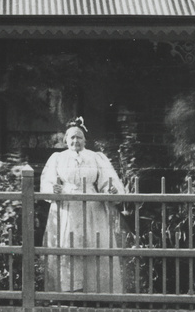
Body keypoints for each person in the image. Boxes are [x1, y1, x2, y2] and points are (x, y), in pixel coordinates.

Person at [39, 117, 128, 294]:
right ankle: (67, 292)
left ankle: (95, 291)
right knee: (67, 246)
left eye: (79, 137)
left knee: (93, 245)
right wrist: (54, 189)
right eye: (71, 137)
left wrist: (110, 190)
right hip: (67, 207)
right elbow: (47, 183)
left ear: (85, 140)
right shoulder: (58, 158)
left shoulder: (96, 158)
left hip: (92, 207)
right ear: (65, 140)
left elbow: (108, 182)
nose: (75, 141)